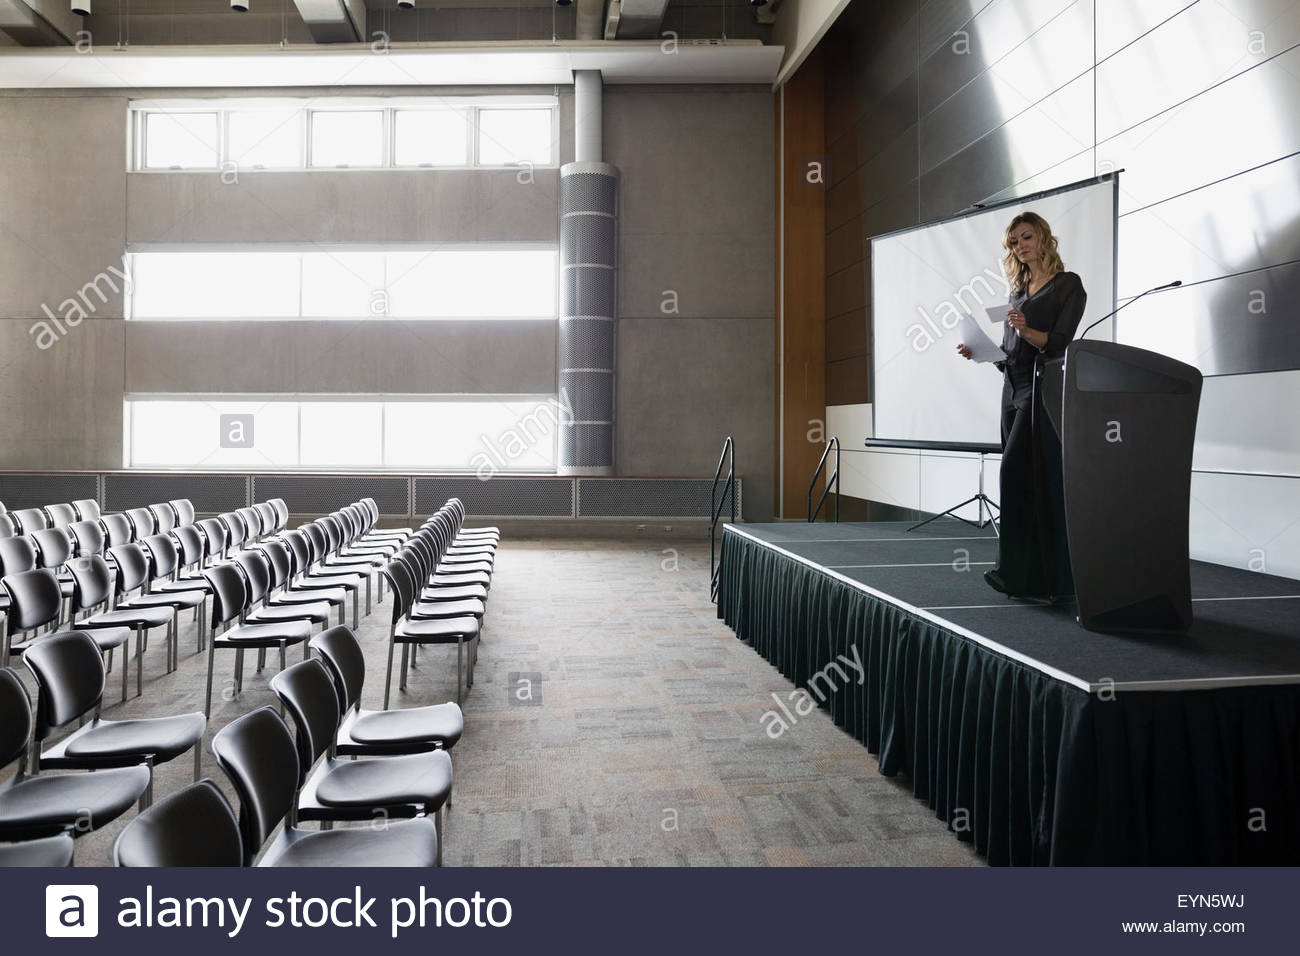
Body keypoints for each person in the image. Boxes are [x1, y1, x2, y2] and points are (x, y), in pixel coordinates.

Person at [957, 211, 1086, 599]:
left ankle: (1021, 575)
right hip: (1011, 387)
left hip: (1040, 388)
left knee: (1016, 475)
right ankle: (1025, 576)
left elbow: (1061, 343)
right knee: (1020, 479)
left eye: (1026, 237)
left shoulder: (1068, 285)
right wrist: (981, 351)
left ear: (1043, 238)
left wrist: (1025, 330)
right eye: (1014, 242)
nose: (1020, 246)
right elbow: (1011, 349)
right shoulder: (1018, 290)